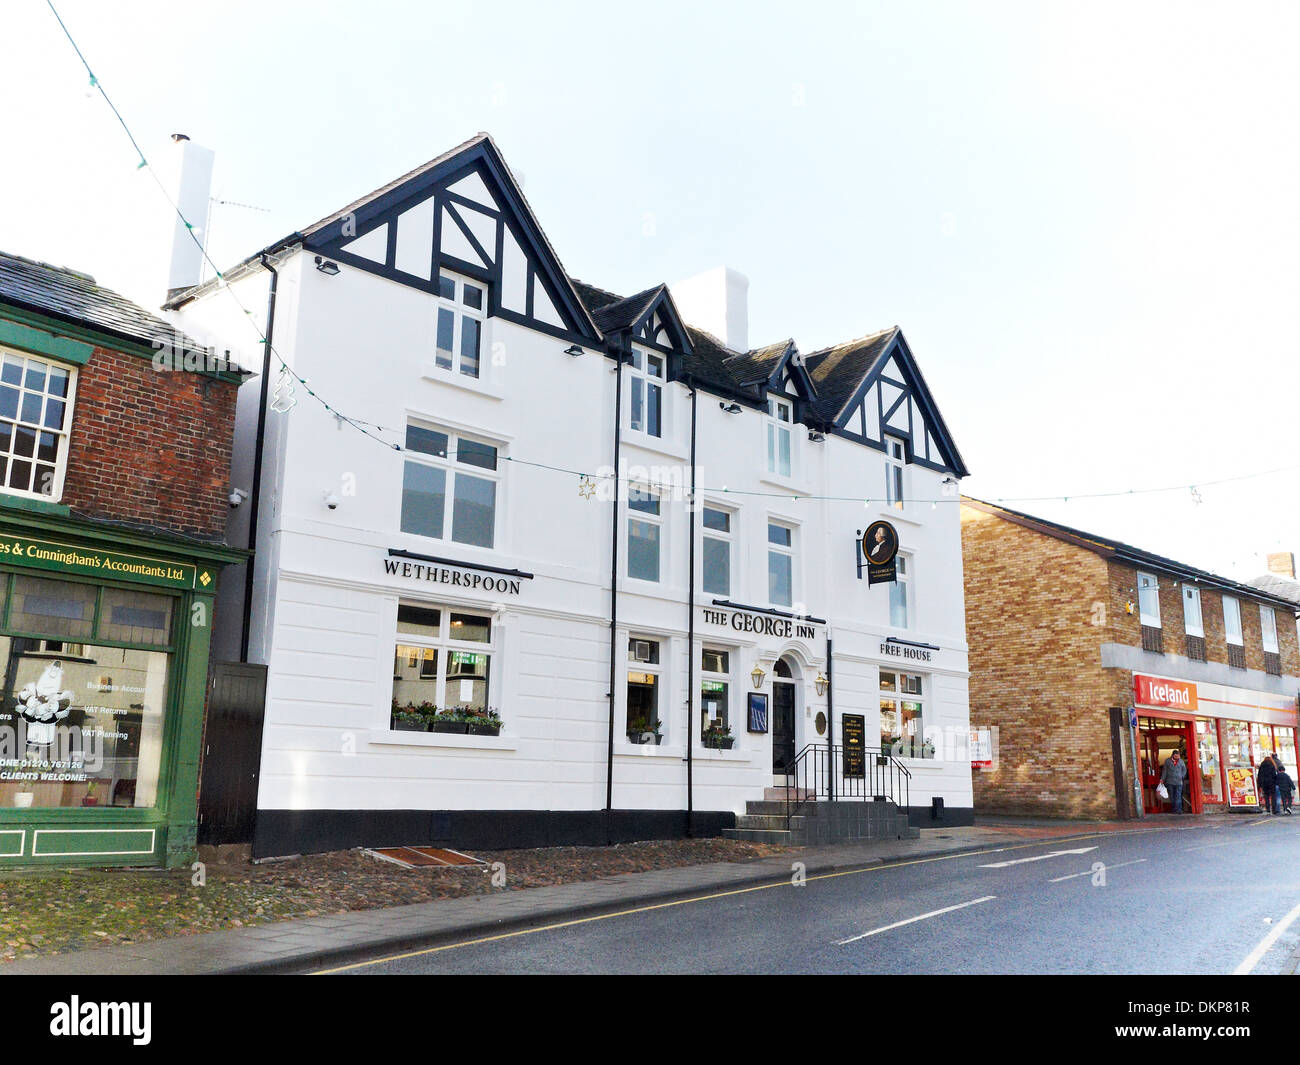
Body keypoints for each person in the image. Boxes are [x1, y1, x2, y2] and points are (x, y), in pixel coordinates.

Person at [1161, 750, 1188, 814]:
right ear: (1173, 755)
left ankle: (1179, 809)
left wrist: (1182, 776)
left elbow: (1184, 769)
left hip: (1179, 782)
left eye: (1178, 756)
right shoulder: (1167, 761)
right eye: (1176, 756)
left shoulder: (1181, 761)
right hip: (1170, 781)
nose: (1177, 757)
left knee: (1178, 795)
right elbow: (1165, 771)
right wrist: (1162, 779)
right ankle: (1174, 809)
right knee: (1172, 796)